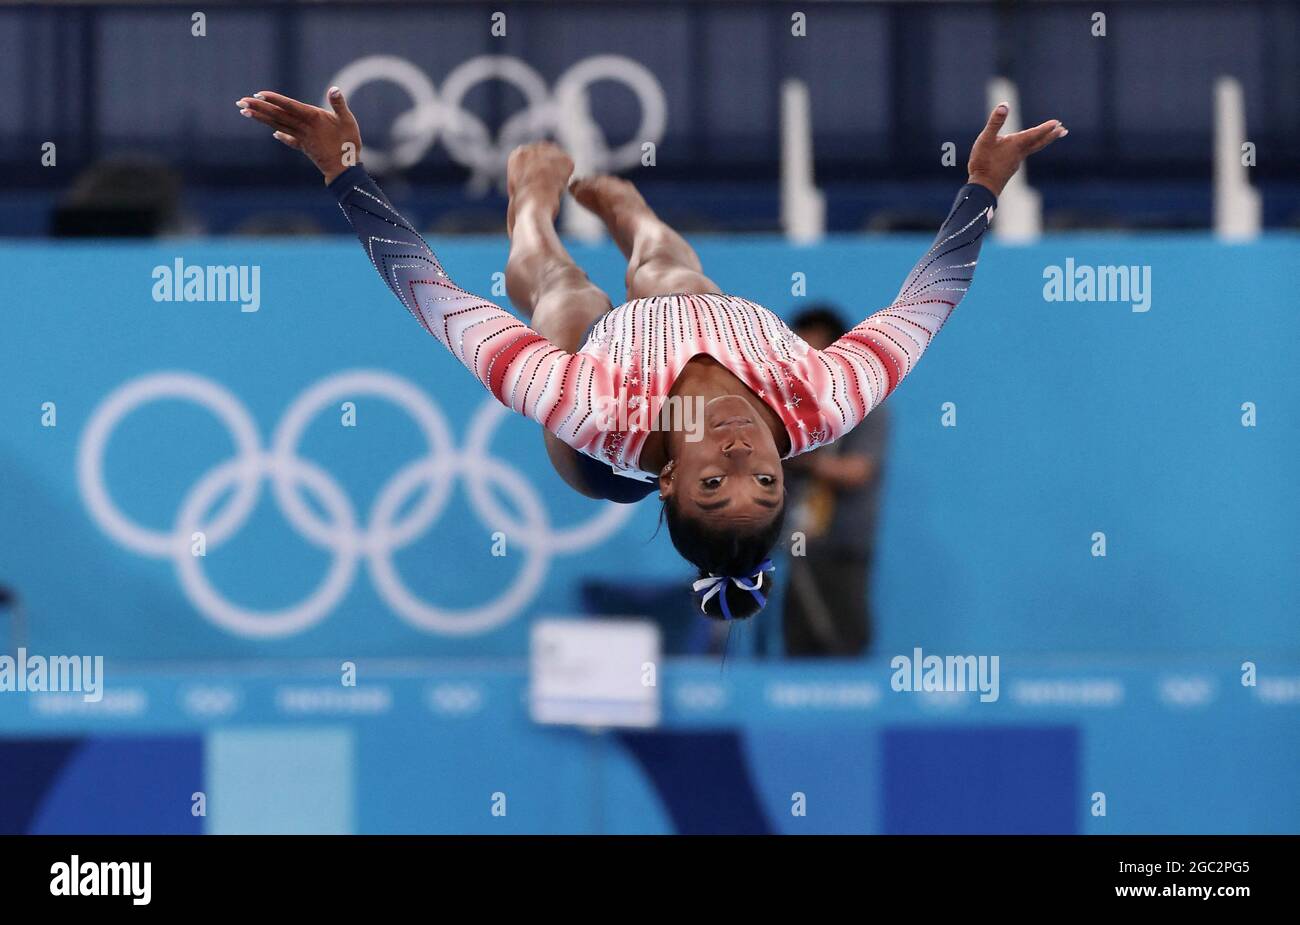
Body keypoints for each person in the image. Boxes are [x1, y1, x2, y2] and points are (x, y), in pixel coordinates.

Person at [235, 87, 1066, 622]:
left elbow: (437, 299)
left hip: (601, 448)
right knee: (672, 278)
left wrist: (342, 170)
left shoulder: (593, 412)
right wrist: (984, 187)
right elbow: (932, 297)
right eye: (766, 478)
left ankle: (529, 203)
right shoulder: (823, 398)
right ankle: (633, 213)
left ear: (669, 481)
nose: (742, 456)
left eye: (714, 482)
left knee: (564, 295)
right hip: (680, 323)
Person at [782, 305, 888, 656]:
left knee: (844, 638)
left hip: (843, 543)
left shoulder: (867, 405)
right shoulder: (789, 411)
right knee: (797, 643)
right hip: (797, 546)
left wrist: (802, 458)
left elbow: (857, 471)